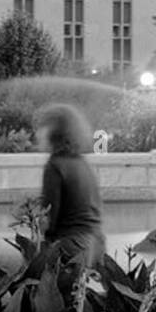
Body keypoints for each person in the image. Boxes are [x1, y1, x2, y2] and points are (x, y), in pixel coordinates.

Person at [33, 103, 105, 267]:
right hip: (95, 242)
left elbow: (50, 215)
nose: (37, 134)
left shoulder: (55, 165)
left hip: (71, 245)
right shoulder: (81, 162)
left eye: (41, 127)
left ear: (54, 130)